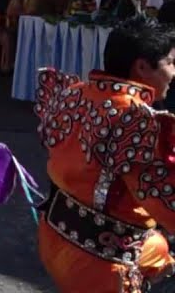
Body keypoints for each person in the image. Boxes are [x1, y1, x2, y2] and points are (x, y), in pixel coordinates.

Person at [35, 18, 175, 292]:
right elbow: (167, 206)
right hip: (101, 263)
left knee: (158, 249)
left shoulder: (73, 93)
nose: (174, 71)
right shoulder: (138, 120)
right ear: (142, 67)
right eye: (171, 62)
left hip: (54, 237)